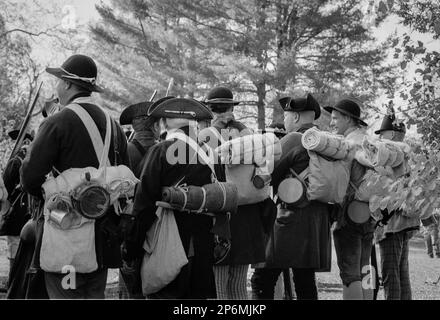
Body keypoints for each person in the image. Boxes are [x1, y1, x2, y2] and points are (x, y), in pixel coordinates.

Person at [20, 54, 129, 299]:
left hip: (66, 233)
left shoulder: (57, 122)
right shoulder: (114, 126)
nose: (57, 86)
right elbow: (124, 178)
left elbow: (29, 178)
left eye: (59, 81)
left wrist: (56, 195)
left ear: (68, 84)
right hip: (102, 238)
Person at [129, 97, 221, 299]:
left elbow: (143, 205)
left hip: (168, 246)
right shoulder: (209, 154)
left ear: (162, 123)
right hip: (202, 246)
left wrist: (132, 247)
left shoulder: (160, 151)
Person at [251, 93, 332, 300]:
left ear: (295, 117)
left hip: (291, 220)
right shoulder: (325, 142)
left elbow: (267, 174)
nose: (285, 120)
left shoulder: (294, 139)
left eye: (286, 115)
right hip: (317, 220)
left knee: (262, 279)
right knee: (305, 282)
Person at [205, 86, 268, 300]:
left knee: (219, 284)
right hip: (247, 213)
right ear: (232, 107)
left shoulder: (204, 136)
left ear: (210, 108)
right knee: (239, 284)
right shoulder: (247, 133)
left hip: (221, 214)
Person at [325, 99, 374, 300]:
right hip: (368, 213)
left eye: (336, 118)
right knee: (365, 269)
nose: (332, 123)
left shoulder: (350, 143)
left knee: (349, 272)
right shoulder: (371, 140)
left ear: (348, 118)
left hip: (349, 214)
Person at [373, 113, 420, 300]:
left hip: (392, 223)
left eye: (382, 133)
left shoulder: (391, 153)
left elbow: (384, 189)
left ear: (391, 134)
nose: (380, 137)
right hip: (407, 220)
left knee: (390, 276)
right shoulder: (410, 153)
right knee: (402, 273)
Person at [0, 126, 34, 275]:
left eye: (16, 140)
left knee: (14, 246)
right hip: (28, 210)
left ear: (24, 141)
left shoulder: (15, 162)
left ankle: (14, 281)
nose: (12, 144)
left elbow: (5, 188)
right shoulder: (31, 161)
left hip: (15, 210)